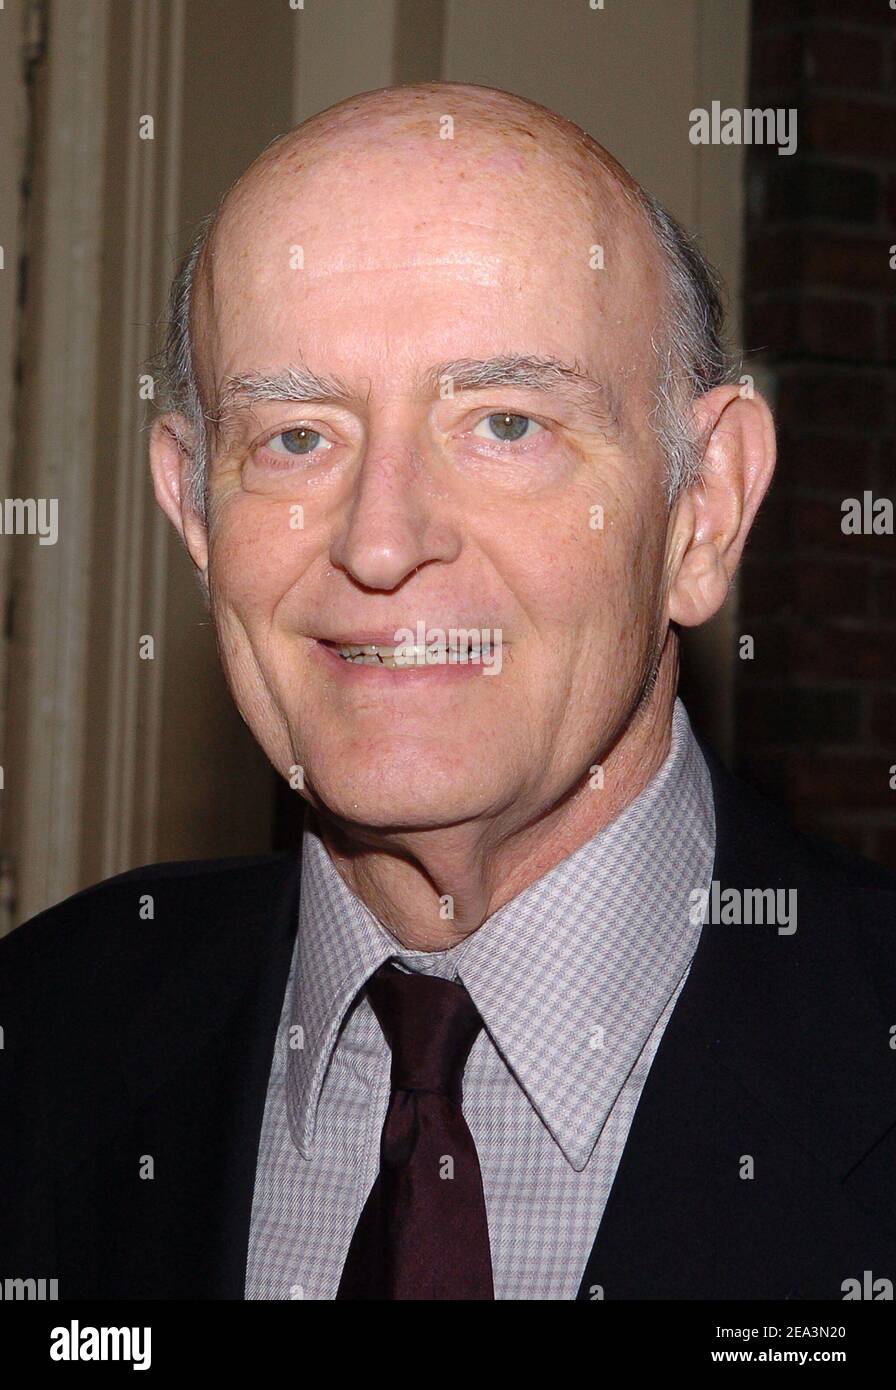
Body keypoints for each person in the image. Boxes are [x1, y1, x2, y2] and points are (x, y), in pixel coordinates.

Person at [1, 82, 894, 1302]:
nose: (381, 541)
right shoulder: (42, 1037)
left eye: (506, 424)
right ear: (193, 510)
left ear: (703, 511)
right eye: (297, 437)